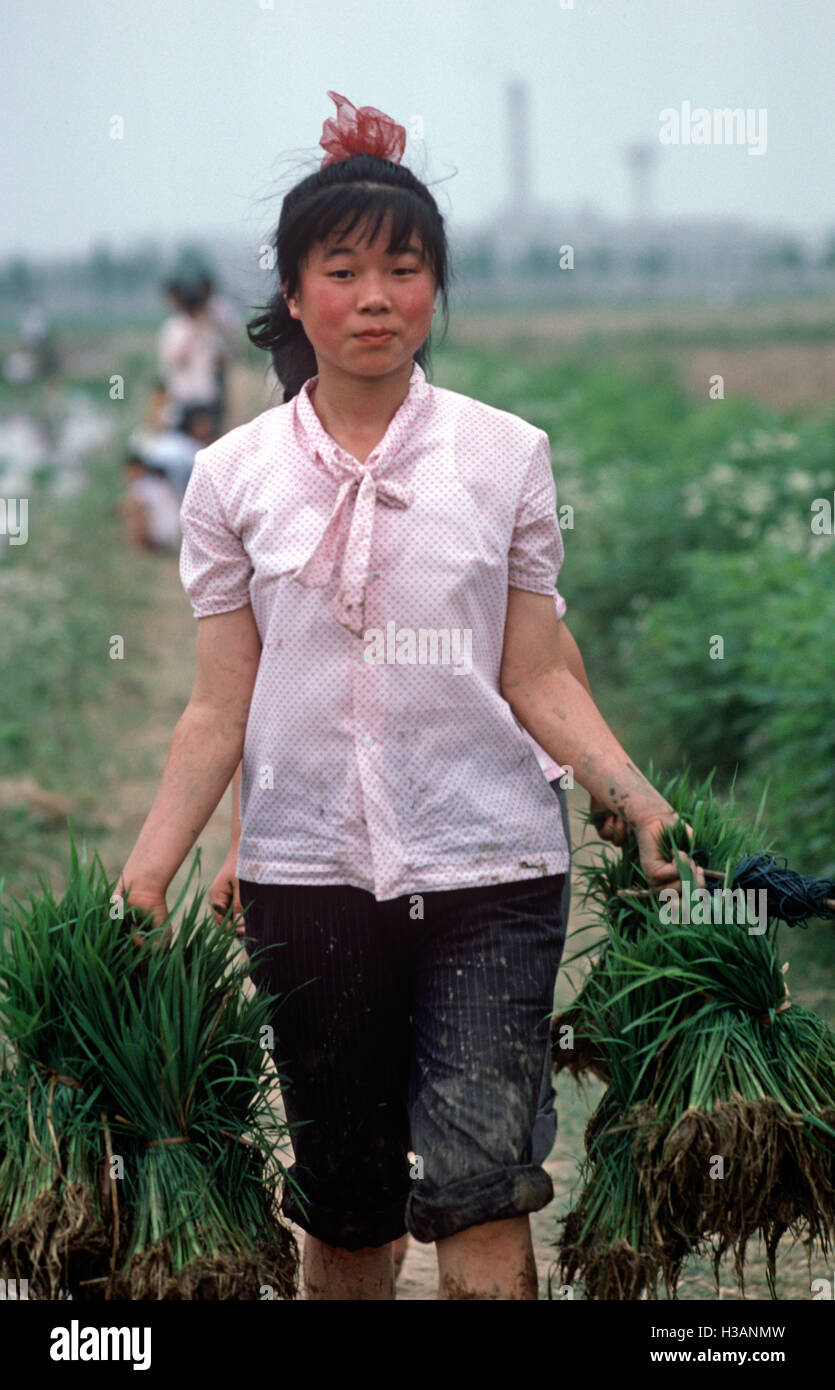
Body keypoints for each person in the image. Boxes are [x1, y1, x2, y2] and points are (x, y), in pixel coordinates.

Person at [117, 90, 704, 1301]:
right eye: (342, 270)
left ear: (436, 292)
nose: (375, 296)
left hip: (488, 865)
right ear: (293, 294)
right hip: (308, 881)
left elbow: (535, 667)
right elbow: (224, 707)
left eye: (405, 268)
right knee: (345, 1201)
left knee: (484, 1184)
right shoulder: (233, 478)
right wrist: (149, 871)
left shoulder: (505, 456)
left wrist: (634, 798)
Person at [156, 277, 226, 439]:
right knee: (183, 440)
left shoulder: (209, 328)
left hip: (207, 394)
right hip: (183, 395)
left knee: (209, 439)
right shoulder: (174, 328)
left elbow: (221, 357)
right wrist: (194, 335)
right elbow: (175, 359)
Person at [122, 452, 181, 552]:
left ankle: (141, 549)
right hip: (176, 530)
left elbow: (132, 507)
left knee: (132, 509)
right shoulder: (157, 481)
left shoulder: (142, 485)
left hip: (163, 534)